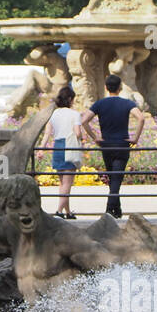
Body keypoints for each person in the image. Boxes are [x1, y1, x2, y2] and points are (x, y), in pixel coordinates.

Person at [80, 73, 144, 218]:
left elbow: (84, 120)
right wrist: (135, 138)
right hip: (122, 144)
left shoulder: (100, 104)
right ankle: (110, 209)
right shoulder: (127, 103)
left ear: (106, 87)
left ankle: (117, 209)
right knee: (116, 177)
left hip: (106, 144)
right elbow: (141, 118)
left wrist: (95, 137)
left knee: (112, 177)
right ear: (120, 87)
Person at [43, 86, 83, 218]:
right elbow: (77, 132)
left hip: (57, 146)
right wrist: (82, 138)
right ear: (70, 99)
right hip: (69, 147)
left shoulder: (54, 113)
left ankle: (68, 212)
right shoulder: (74, 114)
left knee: (62, 183)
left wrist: (42, 148)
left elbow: (47, 132)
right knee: (67, 183)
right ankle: (59, 211)